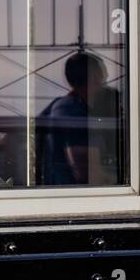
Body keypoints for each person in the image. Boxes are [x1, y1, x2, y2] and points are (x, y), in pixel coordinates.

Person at [38, 51, 118, 185]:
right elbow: (86, 171)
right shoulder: (71, 110)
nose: (105, 81)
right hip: (70, 194)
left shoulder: (64, 107)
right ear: (95, 78)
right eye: (102, 77)